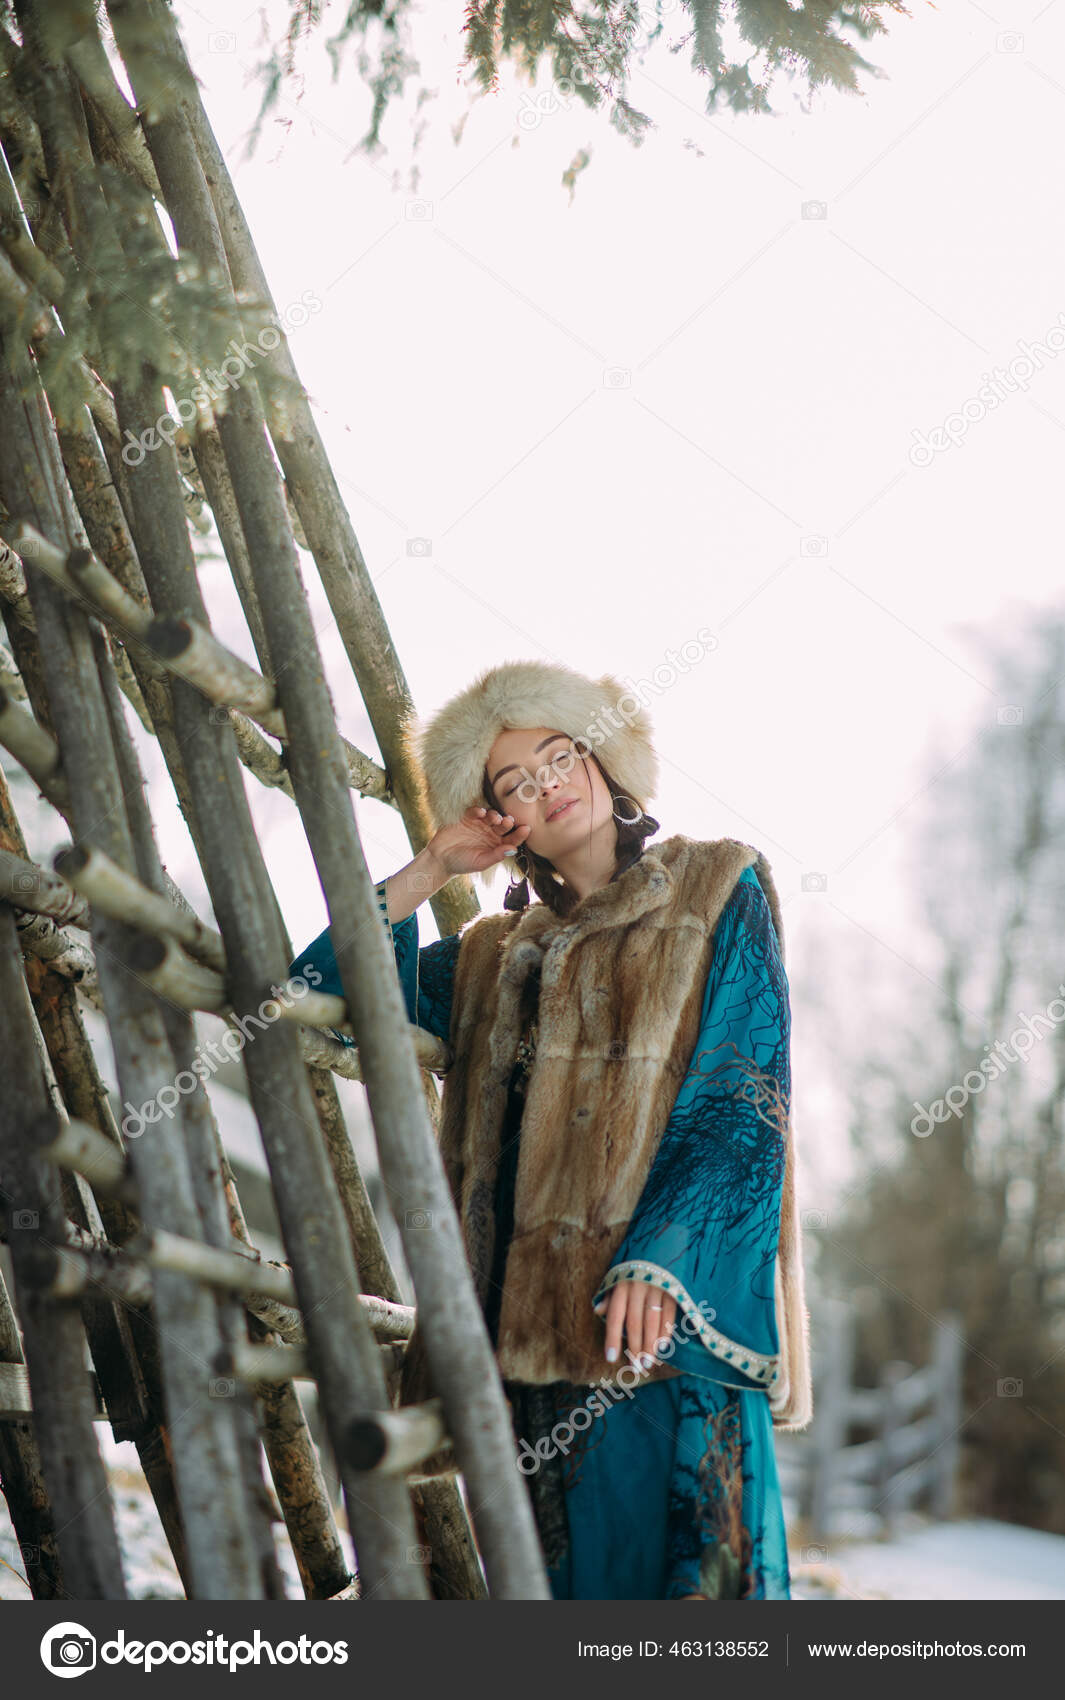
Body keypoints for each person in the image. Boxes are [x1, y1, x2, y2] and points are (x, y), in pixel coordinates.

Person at [289, 658, 812, 1600]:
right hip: (529, 1360)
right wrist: (432, 867)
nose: (545, 785)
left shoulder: (716, 886)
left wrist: (664, 1260)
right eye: (509, 784)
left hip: (662, 1333)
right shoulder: (489, 960)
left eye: (558, 755)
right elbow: (317, 993)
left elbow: (744, 1092)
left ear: (604, 762)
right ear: (502, 822)